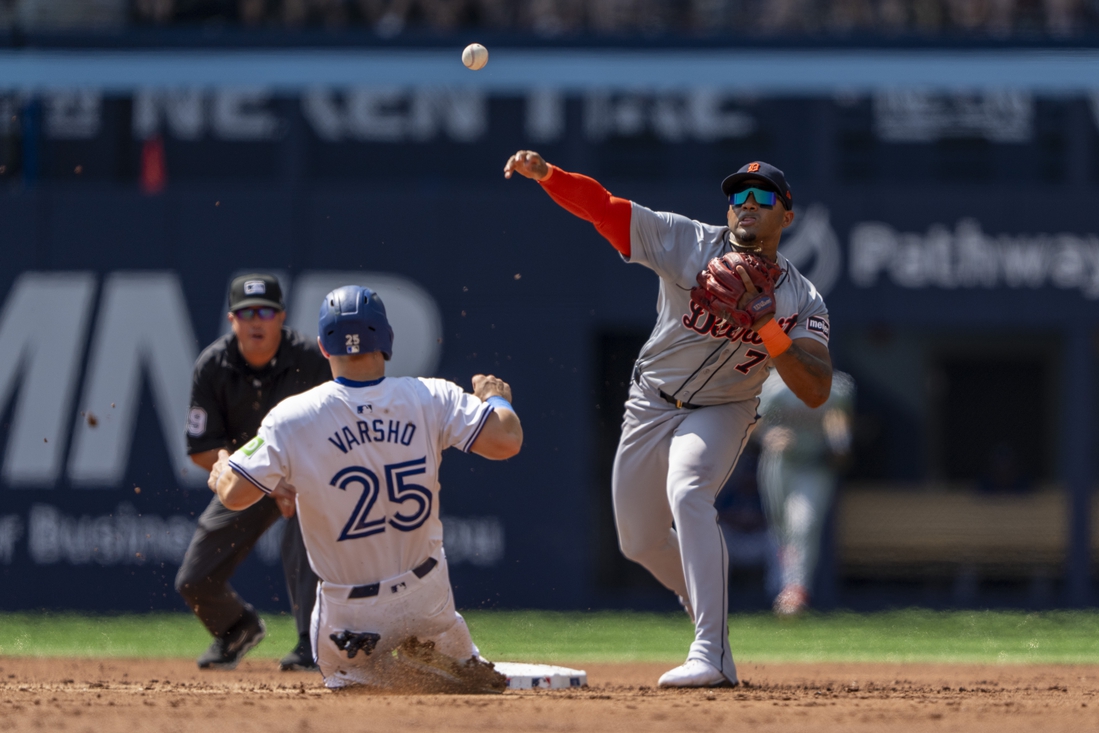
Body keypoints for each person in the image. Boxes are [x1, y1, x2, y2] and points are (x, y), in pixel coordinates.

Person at [504, 151, 833, 688]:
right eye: (739, 196)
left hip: (723, 408)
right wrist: (548, 176)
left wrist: (768, 327)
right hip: (650, 402)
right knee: (639, 541)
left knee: (688, 490)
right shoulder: (687, 241)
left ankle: (712, 652)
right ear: (728, 210)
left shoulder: (803, 298)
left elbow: (816, 389)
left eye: (763, 196)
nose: (748, 203)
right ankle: (702, 599)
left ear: (787, 215)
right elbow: (603, 208)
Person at [207, 285, 523, 690]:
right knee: (461, 673)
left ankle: (371, 674)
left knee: (356, 690)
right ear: (387, 339)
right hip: (428, 598)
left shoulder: (292, 417)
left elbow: (235, 496)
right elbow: (507, 441)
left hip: (350, 618)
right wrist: (496, 400)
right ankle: (442, 657)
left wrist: (223, 472)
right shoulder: (431, 396)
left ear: (323, 346)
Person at [177, 273, 329, 671]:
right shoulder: (213, 365)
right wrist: (246, 473)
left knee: (306, 538)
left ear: (281, 316)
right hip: (246, 478)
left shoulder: (312, 360)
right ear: (232, 320)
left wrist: (293, 479)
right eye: (247, 313)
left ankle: (312, 642)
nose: (256, 321)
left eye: (265, 312)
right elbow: (201, 448)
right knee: (193, 579)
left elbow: (338, 429)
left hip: (303, 478)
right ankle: (235, 628)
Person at [756, 368, 854, 615]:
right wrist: (768, 435)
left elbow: (838, 420)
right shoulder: (774, 386)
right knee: (780, 527)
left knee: (804, 523)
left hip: (814, 464)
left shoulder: (838, 387)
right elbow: (751, 420)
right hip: (780, 462)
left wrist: (840, 444)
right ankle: (782, 584)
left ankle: (796, 590)